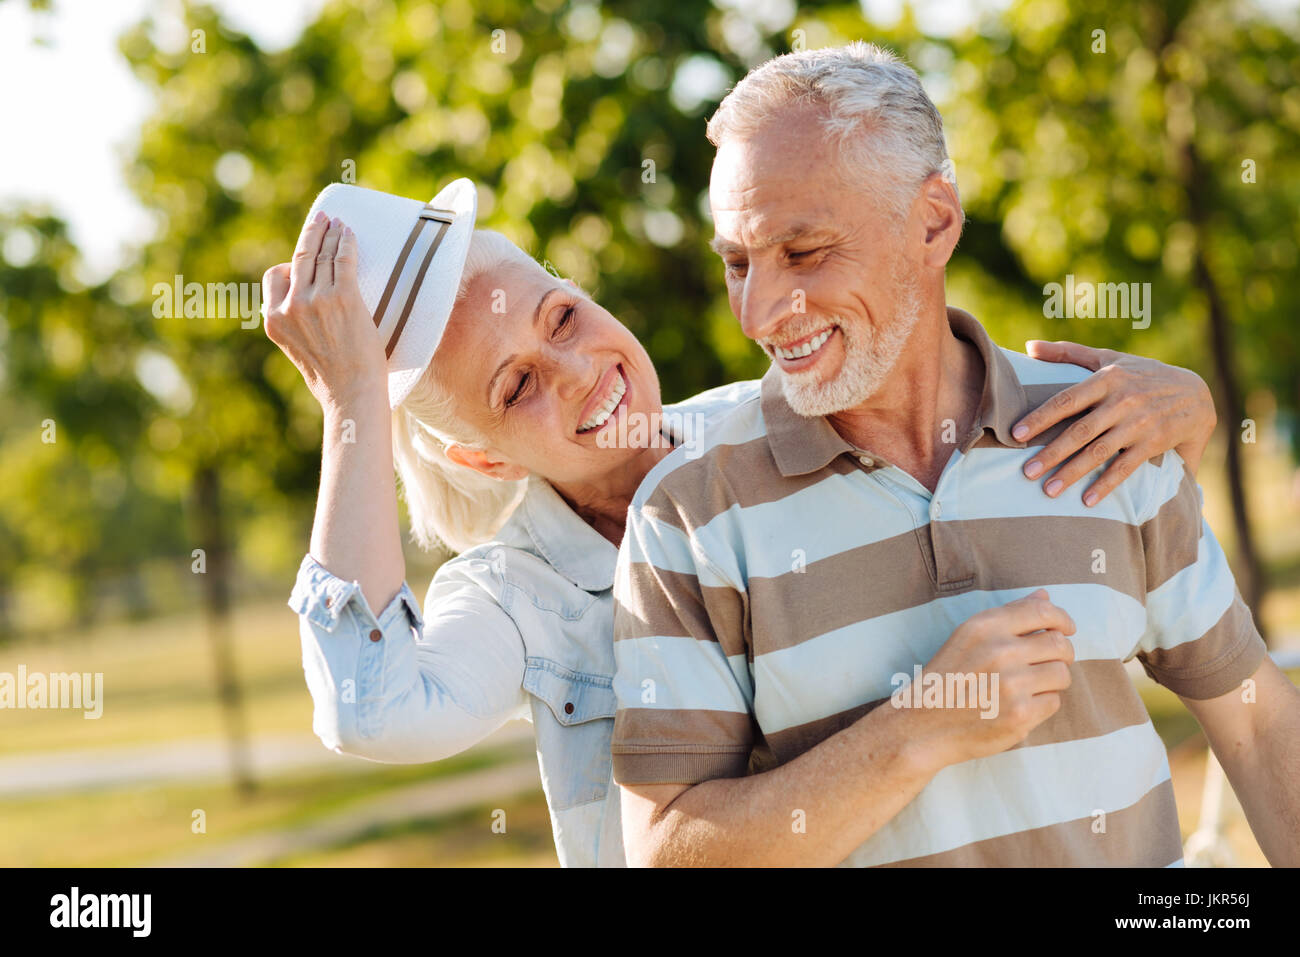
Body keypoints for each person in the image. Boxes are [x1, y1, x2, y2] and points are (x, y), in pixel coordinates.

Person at [264, 177, 1218, 869]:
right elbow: (368, 708)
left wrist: (1183, 410)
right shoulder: (515, 595)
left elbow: (991, 443)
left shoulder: (776, 419)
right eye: (515, 388)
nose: (578, 371)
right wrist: (355, 404)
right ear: (479, 457)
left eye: (561, 318)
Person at [611, 42, 1300, 867]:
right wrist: (919, 729)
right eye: (737, 262)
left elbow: (1257, 723)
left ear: (933, 221)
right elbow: (666, 852)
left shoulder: (1109, 426)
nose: (760, 311)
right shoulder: (688, 512)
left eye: (803, 252)